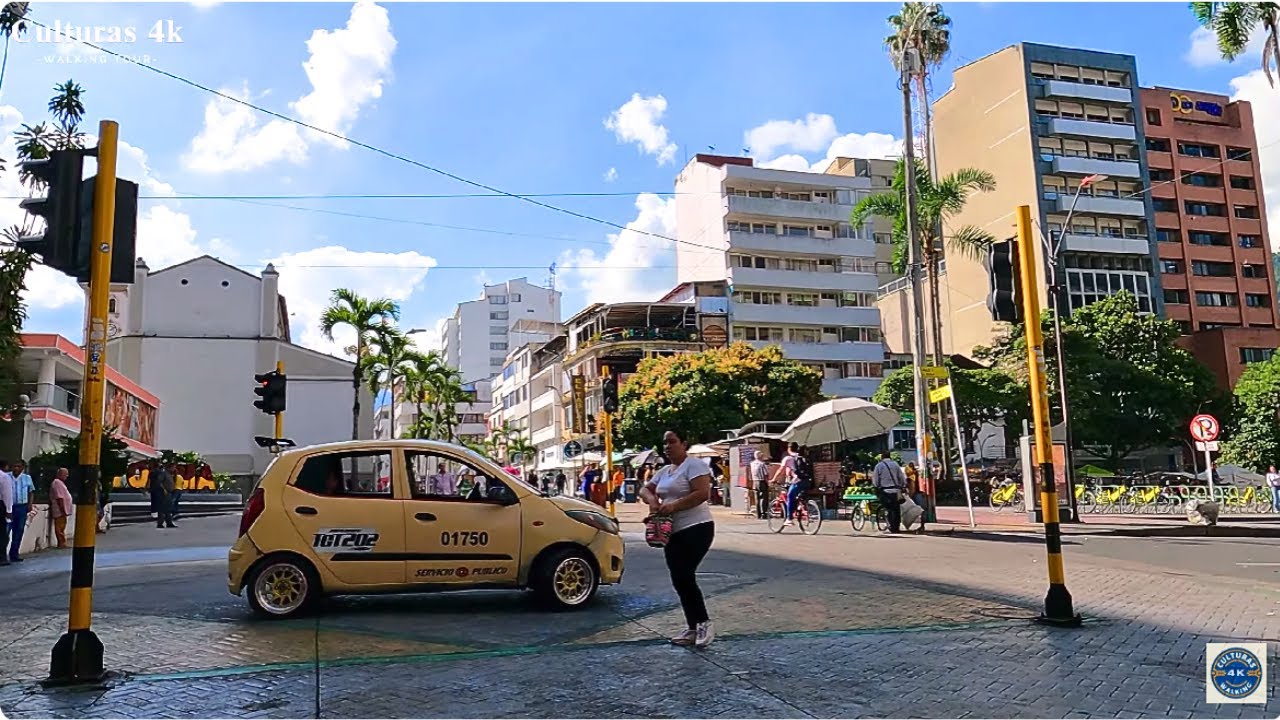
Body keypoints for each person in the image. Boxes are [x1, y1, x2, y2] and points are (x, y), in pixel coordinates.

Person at [640, 430, 715, 648]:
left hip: (696, 527)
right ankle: (692, 627)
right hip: (671, 531)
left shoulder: (694, 465)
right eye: (664, 443)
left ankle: (702, 624)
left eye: (672, 442)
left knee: (685, 576)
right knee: (679, 579)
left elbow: (702, 493)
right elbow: (645, 489)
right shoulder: (664, 471)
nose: (668, 446)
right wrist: (653, 502)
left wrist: (673, 506)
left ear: (684, 444)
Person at [772, 442, 811, 527]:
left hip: (798, 481)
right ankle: (800, 507)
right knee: (798, 496)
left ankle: (789, 519)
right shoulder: (801, 457)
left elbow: (780, 470)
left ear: (788, 449)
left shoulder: (788, 458)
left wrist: (773, 479)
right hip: (807, 480)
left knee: (789, 496)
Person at [873, 451, 908, 534]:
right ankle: (896, 526)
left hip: (885, 491)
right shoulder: (895, 464)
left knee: (888, 508)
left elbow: (876, 480)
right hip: (896, 491)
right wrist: (902, 486)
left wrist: (877, 487)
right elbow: (901, 477)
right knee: (896, 509)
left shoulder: (879, 466)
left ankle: (891, 525)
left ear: (882, 457)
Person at [9, 461, 34, 562]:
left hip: (22, 506)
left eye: (18, 466)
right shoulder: (7, 477)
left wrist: (30, 504)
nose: (16, 468)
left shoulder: (27, 478)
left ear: (22, 468)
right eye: (14, 466)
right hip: (9, 506)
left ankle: (14, 554)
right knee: (6, 530)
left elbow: (31, 491)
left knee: (19, 530)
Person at [49, 467, 72, 548]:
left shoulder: (60, 483)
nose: (67, 476)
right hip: (60, 509)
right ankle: (61, 543)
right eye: (65, 474)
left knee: (62, 526)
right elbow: (59, 498)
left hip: (62, 509)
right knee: (59, 527)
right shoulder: (57, 483)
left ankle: (62, 542)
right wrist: (63, 509)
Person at [750, 451, 771, 520]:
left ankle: (758, 514)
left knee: (757, 498)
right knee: (764, 498)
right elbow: (766, 475)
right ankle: (763, 513)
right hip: (762, 481)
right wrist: (768, 483)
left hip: (754, 481)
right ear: (760, 456)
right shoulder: (762, 464)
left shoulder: (752, 464)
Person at [0, 459, 12, 566]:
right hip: (1, 505)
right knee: (2, 533)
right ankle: (2, 557)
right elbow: (7, 495)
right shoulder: (4, 477)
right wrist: (9, 510)